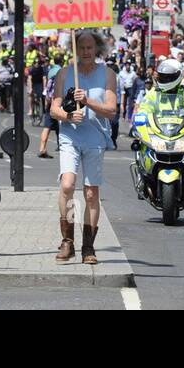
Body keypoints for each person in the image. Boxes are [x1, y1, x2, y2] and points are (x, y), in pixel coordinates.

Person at [49, 31, 119, 265]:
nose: (86, 52)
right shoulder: (64, 74)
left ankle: (88, 245)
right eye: (81, 48)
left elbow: (111, 110)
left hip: (95, 138)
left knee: (90, 193)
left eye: (90, 48)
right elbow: (53, 109)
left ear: (97, 49)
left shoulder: (107, 74)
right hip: (70, 136)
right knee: (67, 185)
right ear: (75, 49)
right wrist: (68, 115)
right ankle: (67, 240)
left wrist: (87, 100)